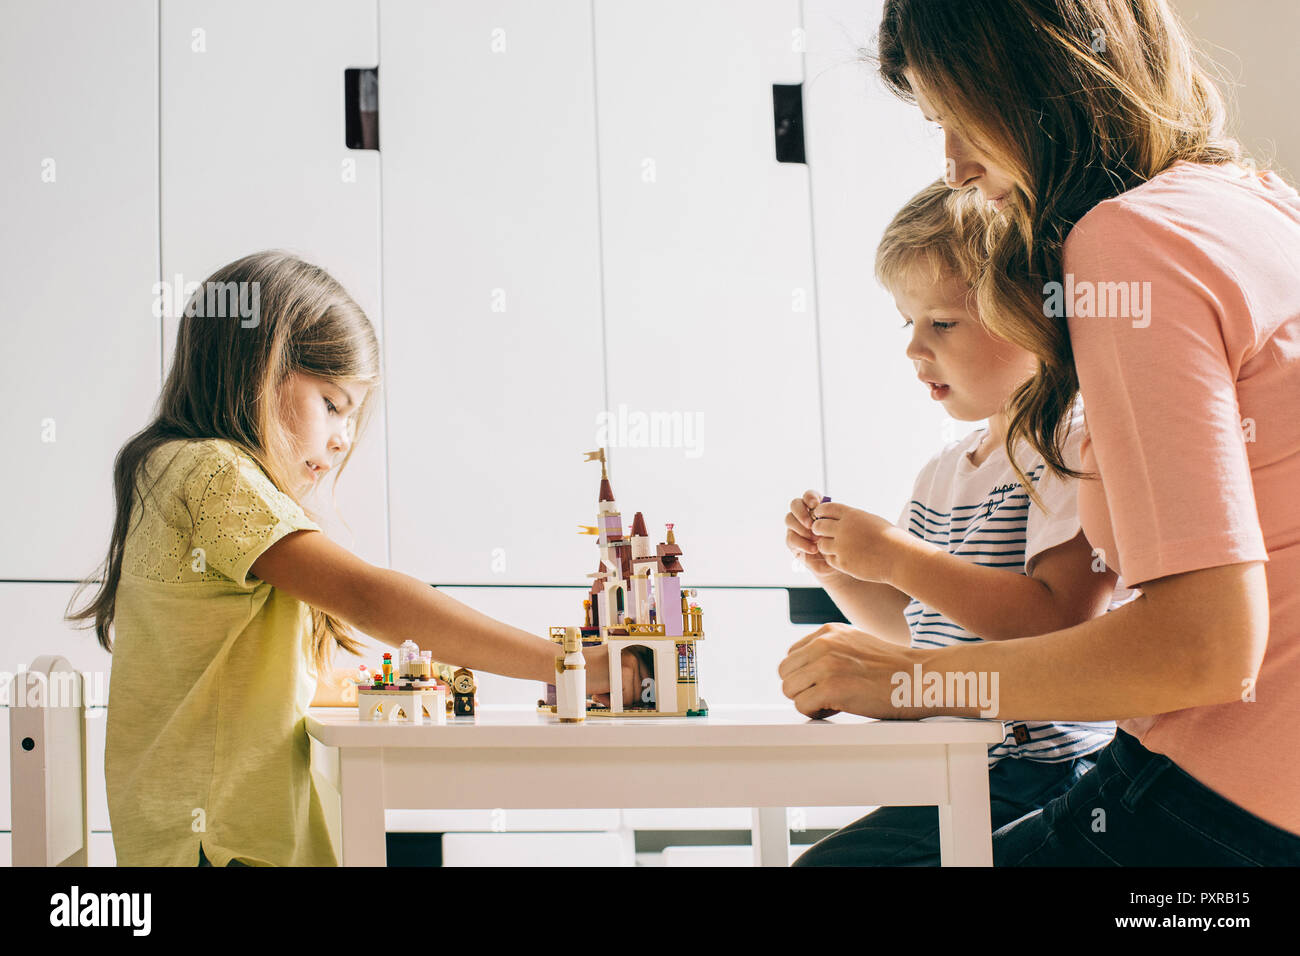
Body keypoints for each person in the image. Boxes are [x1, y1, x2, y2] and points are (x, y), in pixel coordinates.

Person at [779, 0, 1300, 864]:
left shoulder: (1129, 240)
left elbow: (1204, 647)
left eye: (958, 118)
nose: (953, 165)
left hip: (1211, 811)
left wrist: (904, 681)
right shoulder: (1261, 204)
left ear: (1034, 80)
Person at [68, 250, 646, 866]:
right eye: (333, 403)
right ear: (258, 367)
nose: (343, 439)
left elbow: (242, 676)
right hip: (224, 843)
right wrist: (573, 665)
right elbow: (372, 599)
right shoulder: (209, 471)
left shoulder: (176, 470)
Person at [786, 181, 1132, 865]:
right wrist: (840, 568)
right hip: (964, 759)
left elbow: (1054, 620)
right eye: (907, 324)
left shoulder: (1071, 442)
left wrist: (892, 555)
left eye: (942, 323)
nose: (915, 348)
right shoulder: (946, 469)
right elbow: (918, 624)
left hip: (1043, 768)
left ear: (1038, 316)